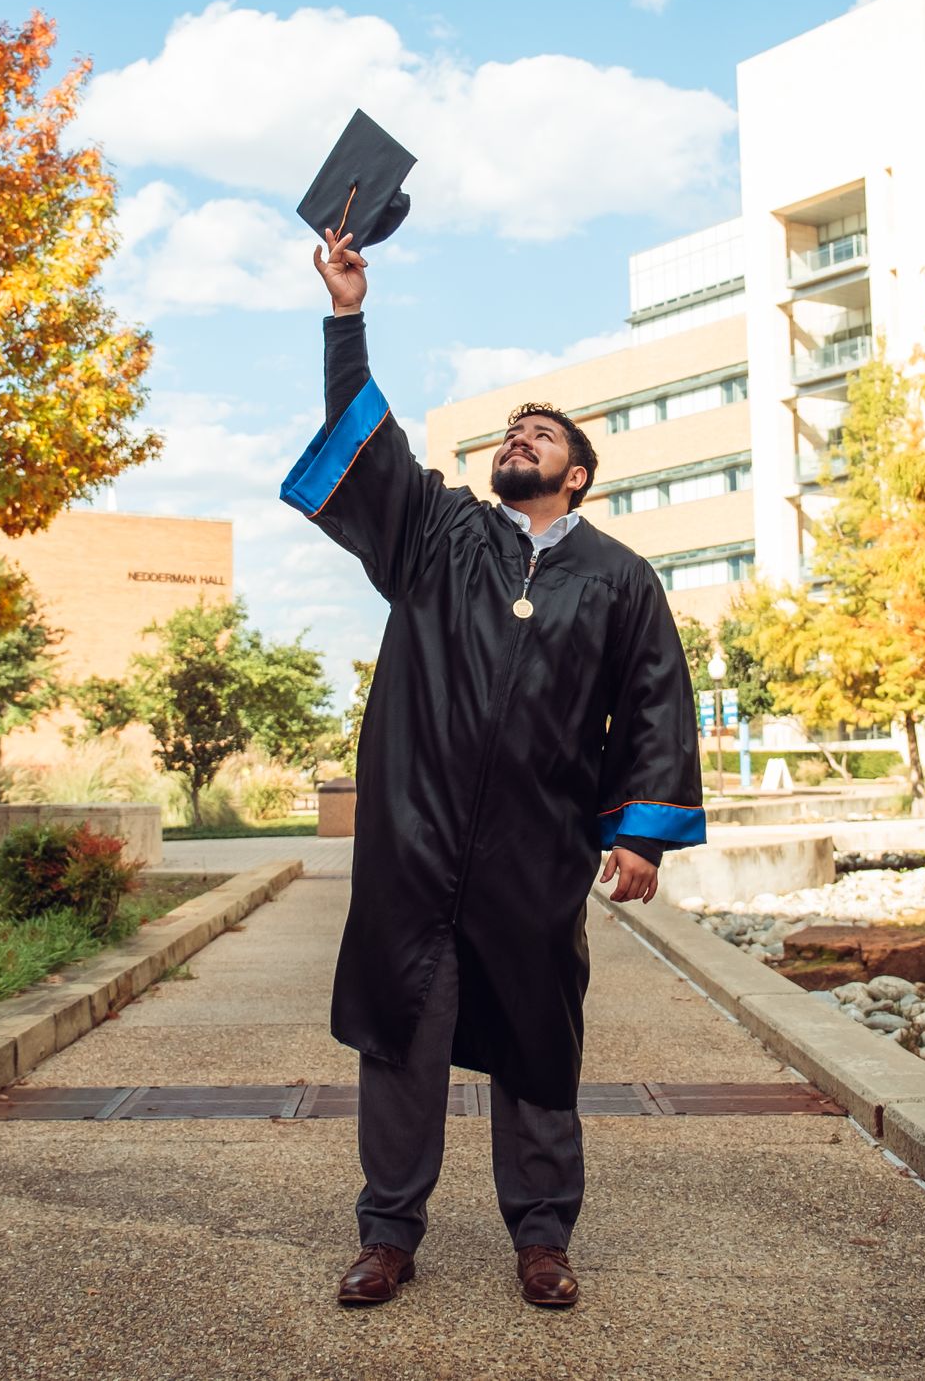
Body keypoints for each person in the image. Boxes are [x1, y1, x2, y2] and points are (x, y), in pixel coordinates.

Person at [283, 226, 705, 1311]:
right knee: (400, 1036)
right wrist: (346, 315)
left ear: (576, 473)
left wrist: (639, 833)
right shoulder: (439, 533)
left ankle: (543, 1237)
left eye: (542, 432)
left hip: (534, 849)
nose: (521, 436)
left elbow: (654, 703)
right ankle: (387, 1233)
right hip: (415, 839)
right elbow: (366, 440)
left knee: (535, 1041)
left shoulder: (619, 578)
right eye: (513, 429)